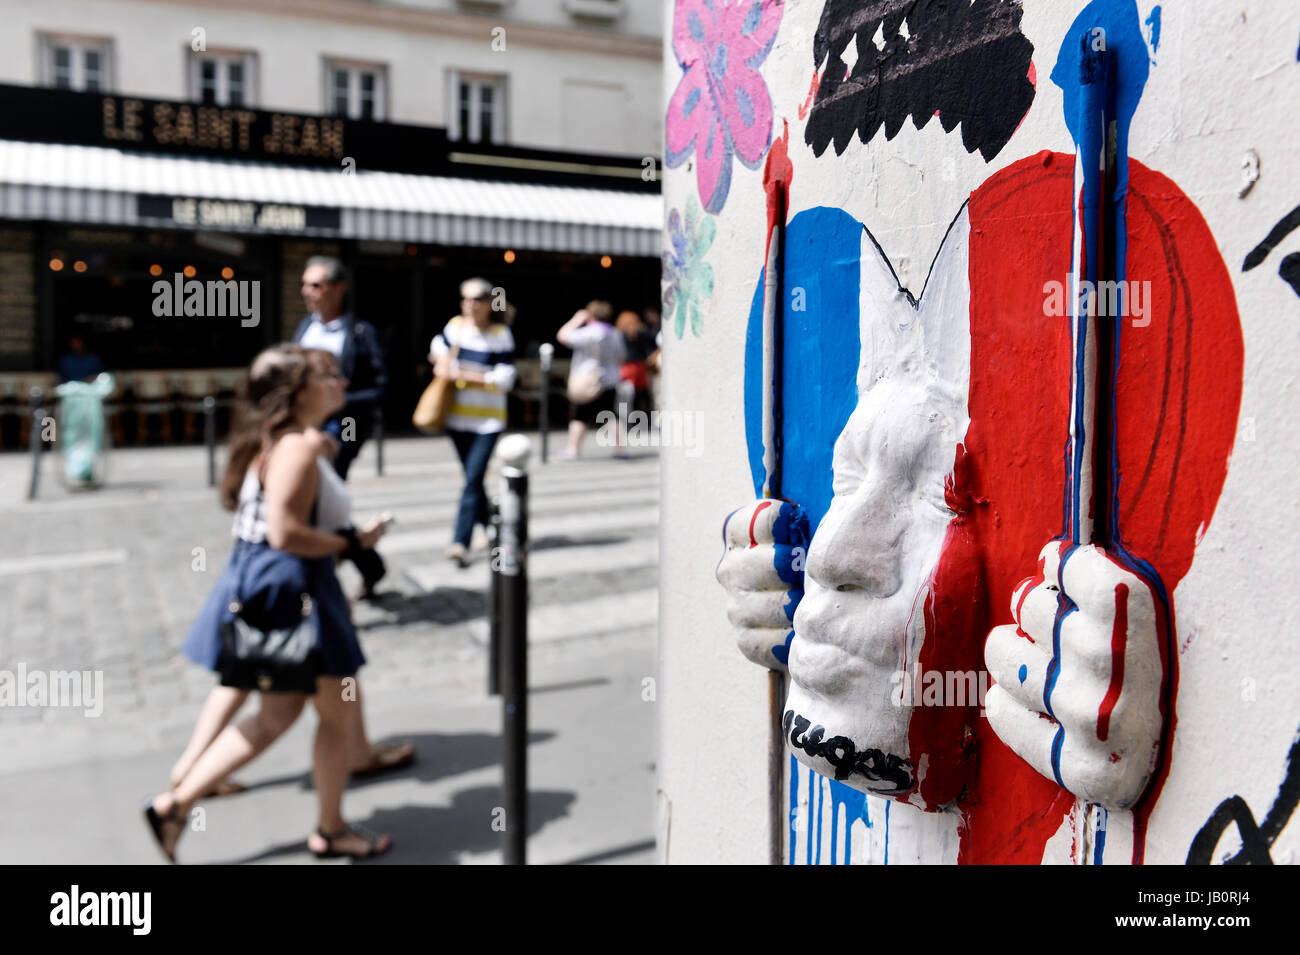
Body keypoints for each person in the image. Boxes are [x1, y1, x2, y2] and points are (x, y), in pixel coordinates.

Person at [145, 344, 393, 861]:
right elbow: (285, 533)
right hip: (296, 583)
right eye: (328, 376)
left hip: (289, 582)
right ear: (299, 391)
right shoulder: (297, 448)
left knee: (290, 711)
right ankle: (324, 827)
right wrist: (355, 544)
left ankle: (179, 799)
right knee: (322, 713)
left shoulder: (295, 442)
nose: (341, 383)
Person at [429, 277, 517, 568]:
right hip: (457, 418)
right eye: (465, 298)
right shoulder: (454, 328)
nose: (469, 304)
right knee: (473, 479)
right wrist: (448, 365)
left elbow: (505, 379)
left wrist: (466, 375)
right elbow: (437, 353)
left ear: (490, 302)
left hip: (488, 422)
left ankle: (459, 540)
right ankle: (492, 527)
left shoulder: (501, 334)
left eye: (476, 299)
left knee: (471, 479)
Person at [291, 257, 387, 481]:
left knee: (337, 470)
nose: (307, 291)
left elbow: (380, 385)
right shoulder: (306, 326)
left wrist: (343, 400)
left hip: (347, 420)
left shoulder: (361, 332)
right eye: (304, 285)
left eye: (316, 285)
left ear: (339, 288)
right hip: (306, 420)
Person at [556, 300, 625, 459]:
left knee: (580, 415)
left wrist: (577, 319)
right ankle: (621, 450)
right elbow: (621, 357)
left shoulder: (590, 332)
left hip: (589, 380)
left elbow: (562, 336)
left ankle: (573, 449)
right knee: (610, 415)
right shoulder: (615, 333)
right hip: (609, 379)